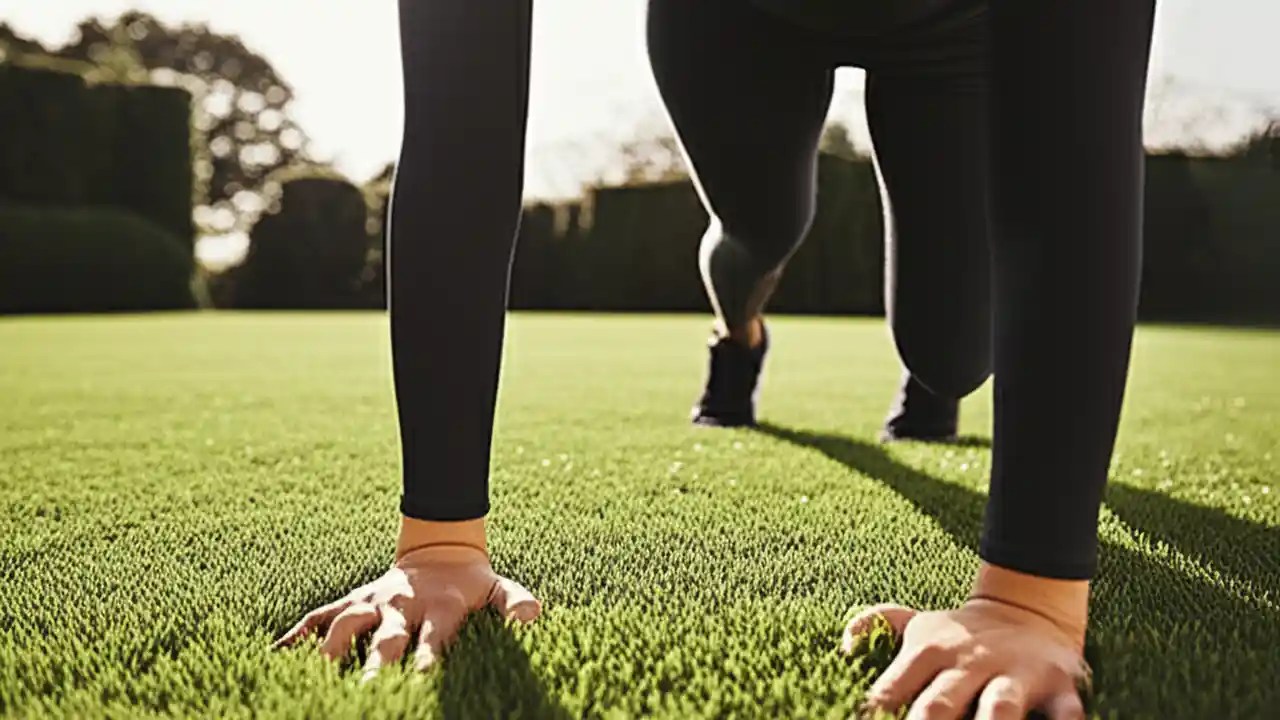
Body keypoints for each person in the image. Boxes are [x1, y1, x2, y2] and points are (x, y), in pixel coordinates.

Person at [274, 1, 1157, 717]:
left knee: (952, 353)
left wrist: (1029, 598)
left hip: (959, 37)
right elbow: (460, 108)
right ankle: (740, 335)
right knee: (759, 229)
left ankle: (925, 342)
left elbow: (1078, 115)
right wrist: (438, 544)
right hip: (733, 24)